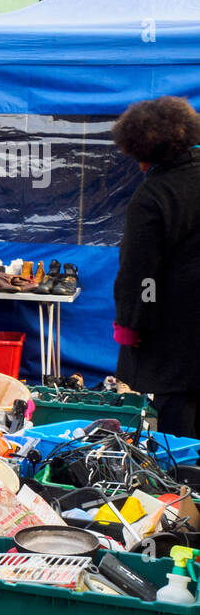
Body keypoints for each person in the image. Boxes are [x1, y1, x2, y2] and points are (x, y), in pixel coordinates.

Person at [111, 96, 200, 436]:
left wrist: (133, 322)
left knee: (180, 428)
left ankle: (183, 487)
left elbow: (142, 274)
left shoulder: (154, 196)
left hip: (177, 332)